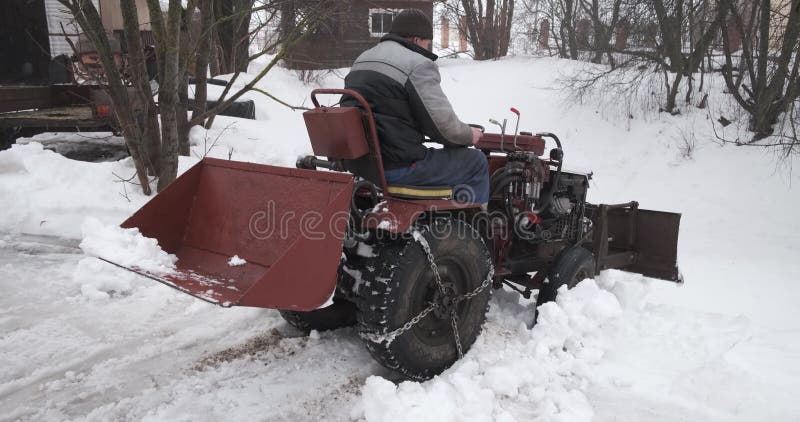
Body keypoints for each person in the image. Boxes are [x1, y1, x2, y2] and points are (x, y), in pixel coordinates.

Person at [342, 9, 489, 204]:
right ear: (417, 40)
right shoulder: (417, 64)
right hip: (397, 168)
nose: (428, 51)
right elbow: (443, 127)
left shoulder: (362, 59)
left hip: (362, 165)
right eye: (428, 45)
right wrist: (469, 135)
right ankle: (473, 228)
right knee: (476, 162)